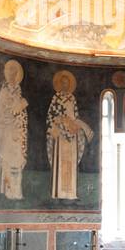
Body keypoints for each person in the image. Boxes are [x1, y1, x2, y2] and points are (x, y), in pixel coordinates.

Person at [46, 71, 93, 200]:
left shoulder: (72, 98)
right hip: (61, 135)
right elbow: (51, 115)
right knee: (61, 161)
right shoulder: (56, 98)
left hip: (72, 133)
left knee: (70, 162)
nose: (65, 86)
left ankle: (70, 192)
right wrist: (60, 122)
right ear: (60, 84)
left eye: (67, 83)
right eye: (63, 83)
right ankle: (58, 192)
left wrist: (76, 126)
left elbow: (75, 116)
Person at [0, 59, 28, 199]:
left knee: (17, 160)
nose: (11, 74)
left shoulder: (18, 91)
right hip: (7, 131)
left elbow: (22, 113)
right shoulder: (4, 90)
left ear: (17, 74)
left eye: (13, 72)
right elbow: (0, 111)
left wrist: (21, 108)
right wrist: (14, 110)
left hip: (17, 133)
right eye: (8, 71)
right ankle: (8, 190)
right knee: (8, 160)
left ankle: (16, 191)